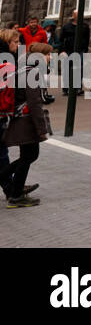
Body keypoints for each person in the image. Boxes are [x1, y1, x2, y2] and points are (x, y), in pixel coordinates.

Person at [0, 28, 46, 207]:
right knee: (5, 154)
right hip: (5, 114)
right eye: (15, 42)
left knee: (6, 153)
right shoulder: (7, 61)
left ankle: (13, 188)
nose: (18, 45)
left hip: (6, 114)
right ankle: (13, 190)